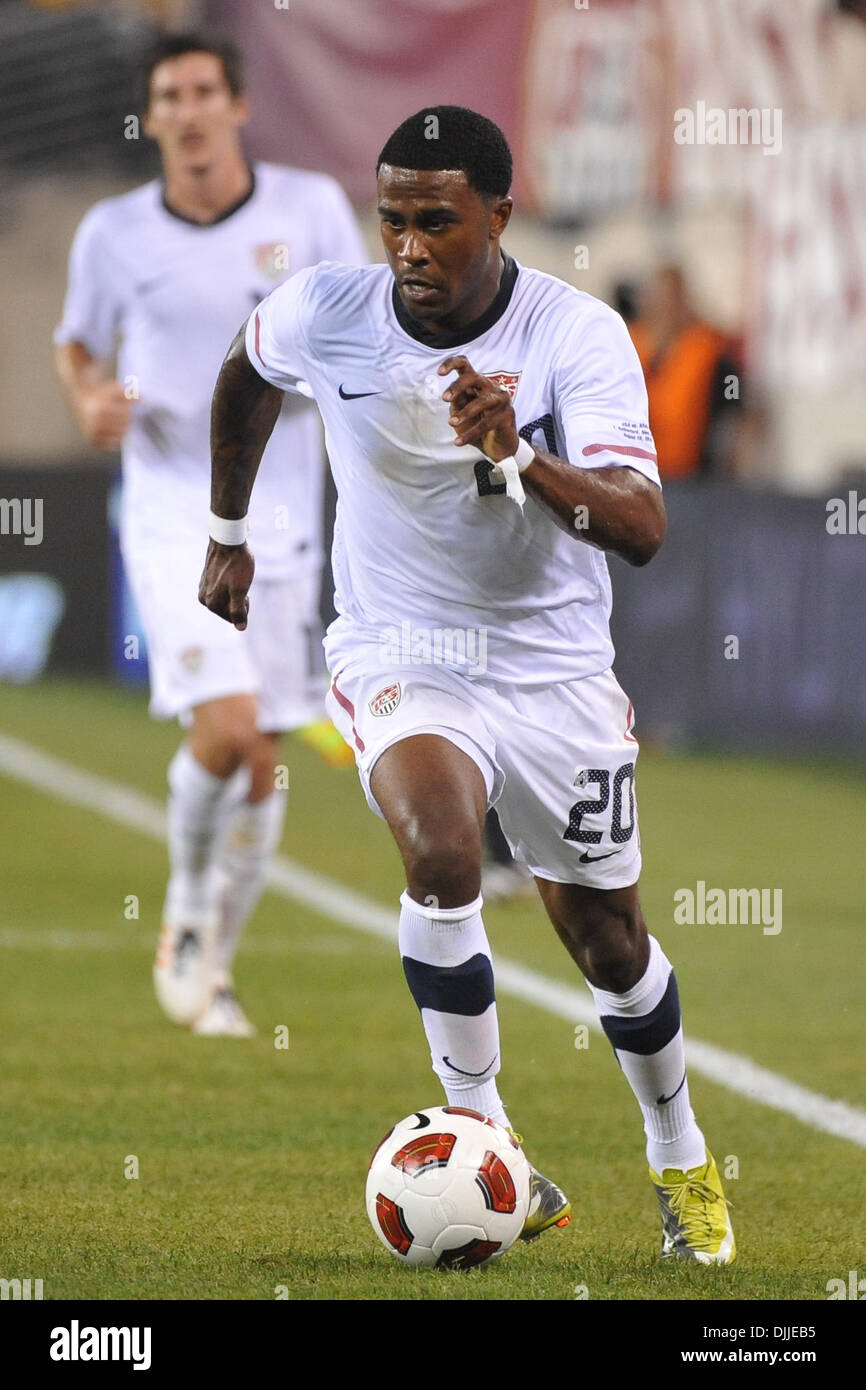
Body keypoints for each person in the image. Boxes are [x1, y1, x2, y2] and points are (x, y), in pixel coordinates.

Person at [199, 106, 735, 1261]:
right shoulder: (326, 313)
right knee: (439, 855)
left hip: (551, 668)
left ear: (497, 215)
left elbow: (639, 527)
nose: (407, 246)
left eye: (435, 221)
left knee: (607, 938)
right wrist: (227, 529)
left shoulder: (574, 336)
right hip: (398, 644)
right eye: (390, 219)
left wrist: (518, 453)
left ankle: (678, 1150)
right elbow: (243, 375)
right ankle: (487, 1138)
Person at [54, 33, 366, 1036]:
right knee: (227, 732)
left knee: (261, 757)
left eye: (201, 91)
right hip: (169, 503)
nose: (184, 111)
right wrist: (90, 398)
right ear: (151, 117)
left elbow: (361, 329)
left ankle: (216, 961)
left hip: (282, 507)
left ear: (237, 106)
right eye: (166, 96)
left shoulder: (308, 208)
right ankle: (186, 908)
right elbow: (76, 343)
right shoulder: (113, 232)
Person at [628, 264, 744, 481]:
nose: (663, 307)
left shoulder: (709, 352)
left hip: (692, 478)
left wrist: (727, 471)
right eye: (656, 298)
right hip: (635, 475)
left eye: (670, 298)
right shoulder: (626, 346)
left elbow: (736, 414)